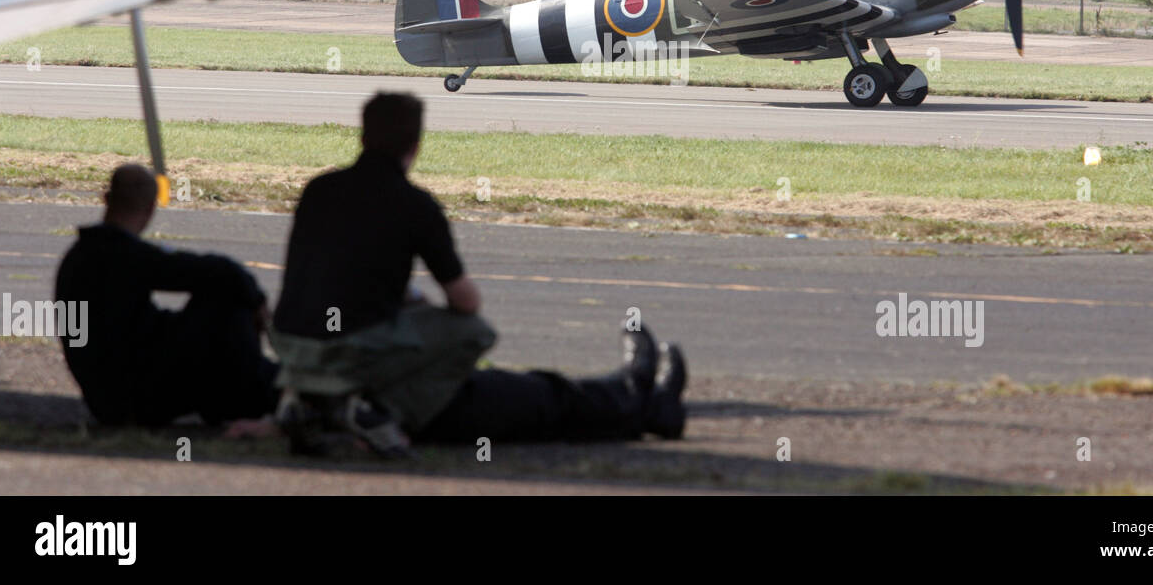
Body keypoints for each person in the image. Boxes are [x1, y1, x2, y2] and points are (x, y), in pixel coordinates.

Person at [271, 92, 687, 456]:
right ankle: (640, 396)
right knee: (536, 393)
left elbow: (336, 276)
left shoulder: (318, 191)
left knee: (533, 395)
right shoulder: (415, 205)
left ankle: (646, 402)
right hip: (400, 390)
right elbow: (466, 303)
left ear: (362, 137)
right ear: (415, 146)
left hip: (312, 359)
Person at [54, 164, 278, 427]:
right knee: (225, 304)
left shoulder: (78, 257)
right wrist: (256, 300)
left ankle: (256, 387)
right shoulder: (124, 256)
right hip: (133, 396)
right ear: (151, 208)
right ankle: (259, 391)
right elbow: (220, 272)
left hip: (105, 394)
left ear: (106, 199)